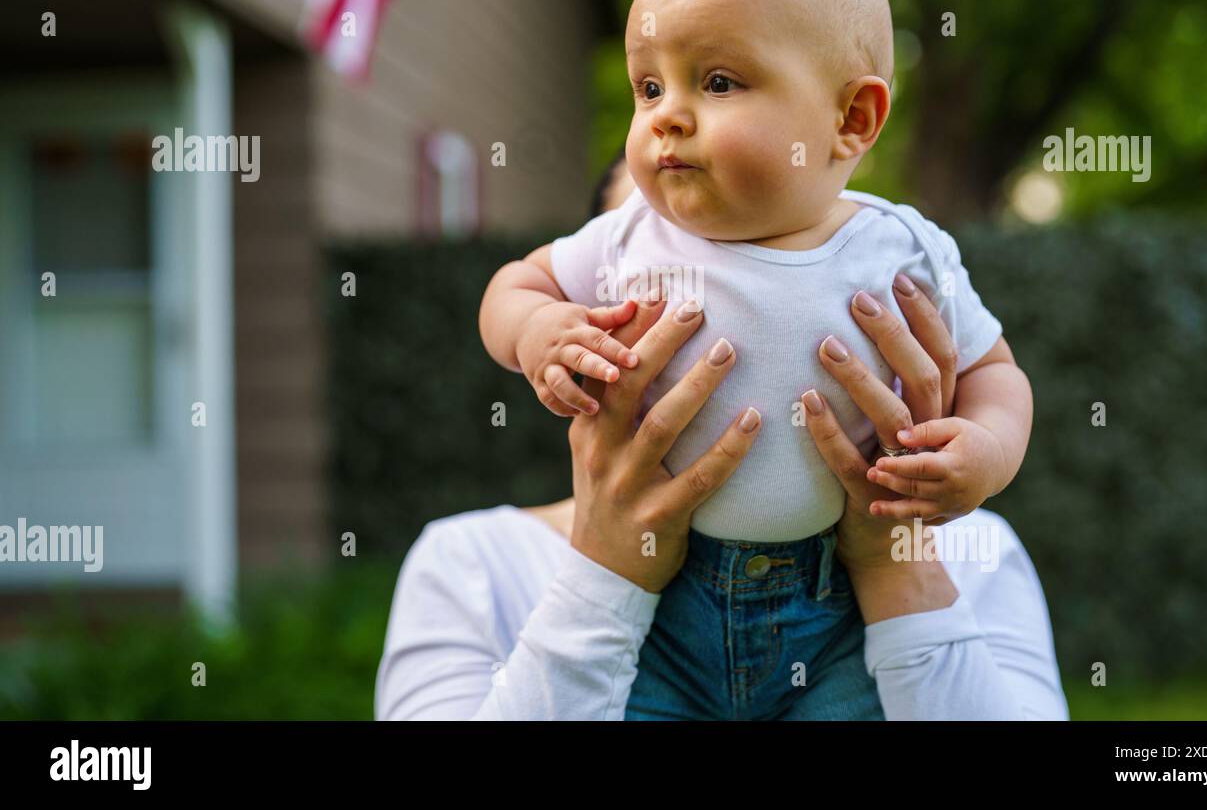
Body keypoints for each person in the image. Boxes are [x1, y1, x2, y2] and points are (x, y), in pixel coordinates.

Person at [474, 0, 1035, 716]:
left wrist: (987, 452)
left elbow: (993, 371)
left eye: (719, 82)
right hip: (663, 602)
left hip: (839, 604)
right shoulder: (631, 236)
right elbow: (513, 284)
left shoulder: (900, 249)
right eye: (649, 87)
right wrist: (534, 331)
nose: (666, 114)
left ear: (852, 120)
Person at [374, 162, 1068, 721]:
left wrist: (920, 531)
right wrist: (608, 570)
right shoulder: (470, 564)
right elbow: (518, 288)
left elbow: (995, 372)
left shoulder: (976, 553)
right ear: (596, 300)